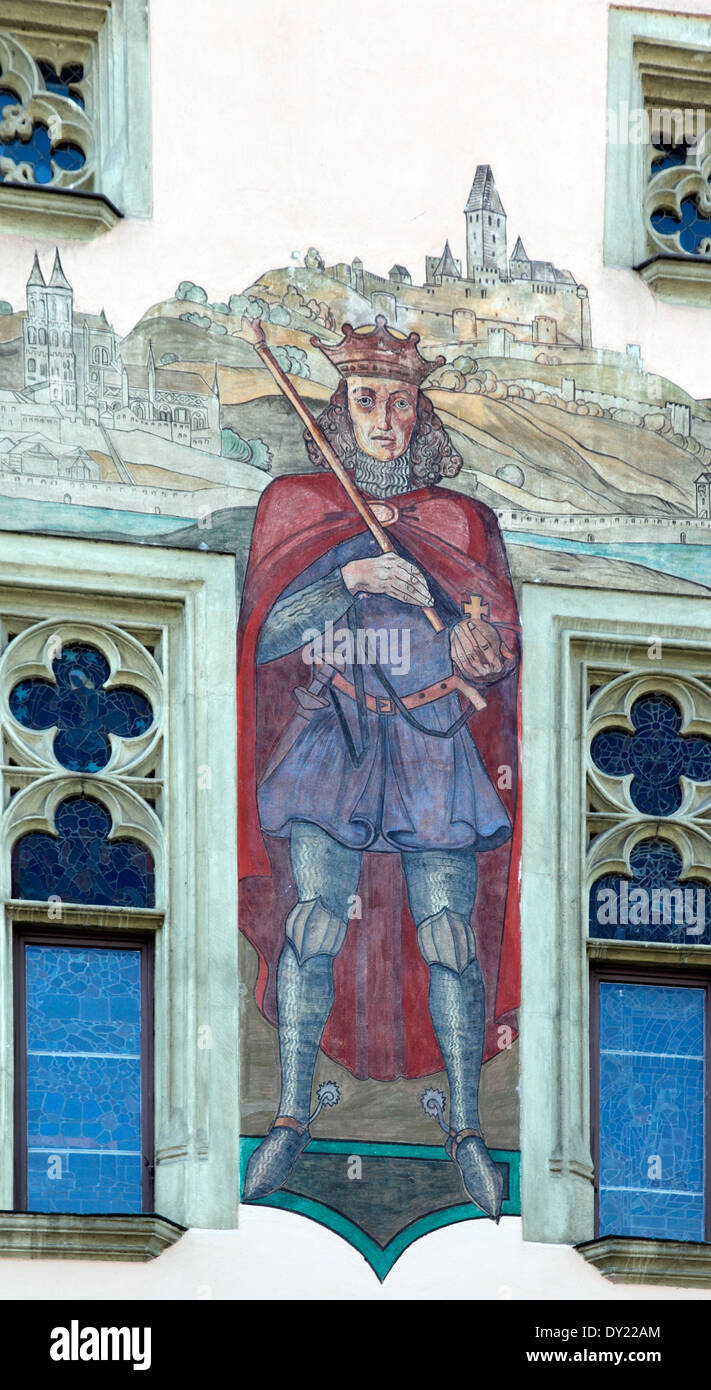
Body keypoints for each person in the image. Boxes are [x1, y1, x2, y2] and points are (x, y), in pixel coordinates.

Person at [238, 316, 520, 1219]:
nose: (384, 421)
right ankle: (289, 1116)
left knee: (448, 937)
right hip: (339, 733)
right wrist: (349, 582)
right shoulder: (296, 504)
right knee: (314, 923)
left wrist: (478, 644)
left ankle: (466, 1131)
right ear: (341, 407)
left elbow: (497, 647)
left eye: (400, 403)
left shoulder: (459, 521)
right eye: (366, 401)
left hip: (434, 739)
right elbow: (269, 633)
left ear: (419, 411)